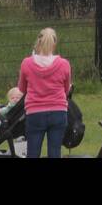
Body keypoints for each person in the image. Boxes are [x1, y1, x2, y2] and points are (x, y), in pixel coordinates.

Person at [16, 27, 72, 158]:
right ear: (54, 44)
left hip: (35, 112)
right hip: (58, 111)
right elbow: (66, 89)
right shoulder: (64, 64)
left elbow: (22, 89)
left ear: (38, 42)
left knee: (33, 152)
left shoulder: (27, 63)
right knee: (55, 152)